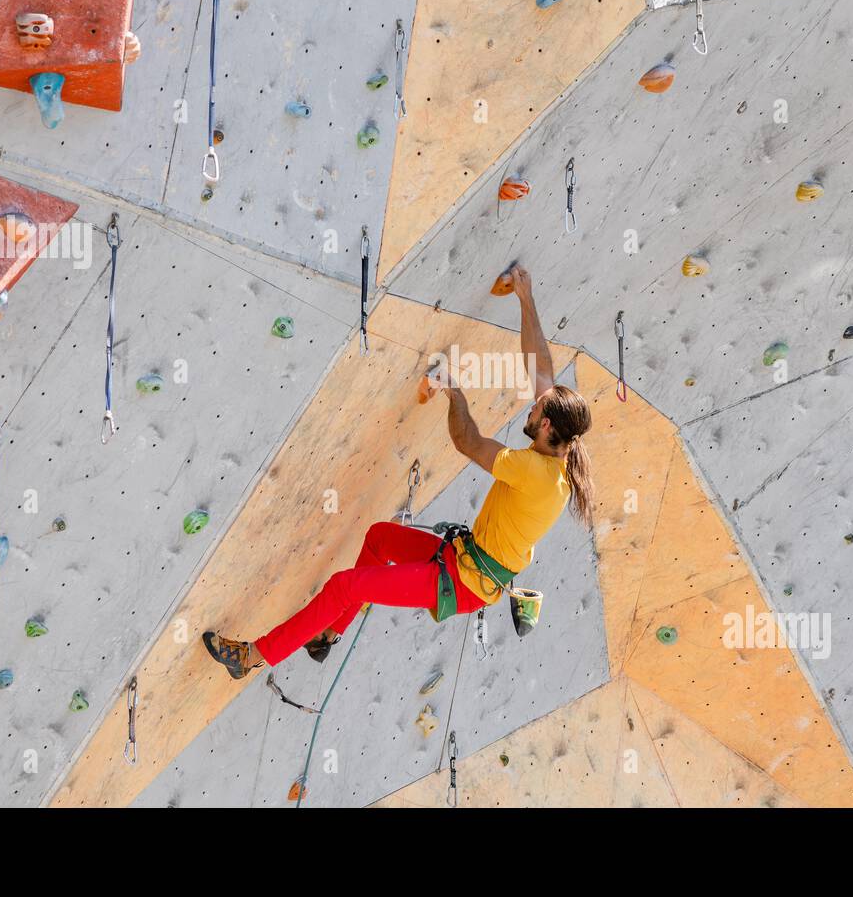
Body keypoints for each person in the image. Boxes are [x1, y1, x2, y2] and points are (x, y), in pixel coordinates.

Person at [203, 264, 595, 679]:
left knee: (344, 585)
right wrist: (525, 297)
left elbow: (468, 442)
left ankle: (254, 656)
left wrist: (453, 391)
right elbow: (542, 371)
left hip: (464, 583)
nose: (531, 407)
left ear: (548, 425)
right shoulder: (560, 454)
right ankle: (329, 634)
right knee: (379, 538)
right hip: (466, 559)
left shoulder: (534, 470)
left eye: (537, 410)